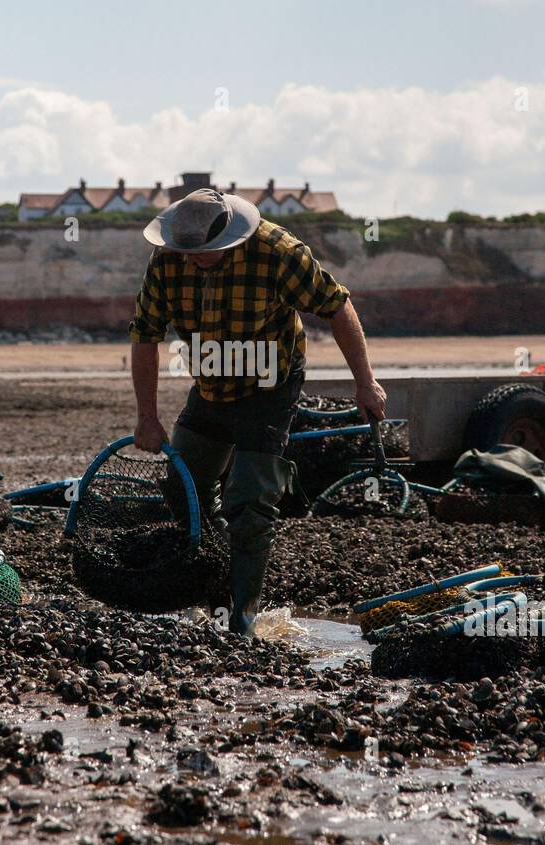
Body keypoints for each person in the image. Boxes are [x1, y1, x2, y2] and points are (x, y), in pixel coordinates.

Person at [129, 187, 387, 634]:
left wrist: (366, 383)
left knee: (248, 503)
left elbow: (337, 305)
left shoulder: (277, 252)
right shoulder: (169, 259)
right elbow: (145, 334)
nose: (197, 259)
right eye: (189, 252)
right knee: (181, 487)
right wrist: (147, 416)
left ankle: (242, 619)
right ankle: (215, 585)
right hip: (211, 384)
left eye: (208, 251)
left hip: (270, 384)